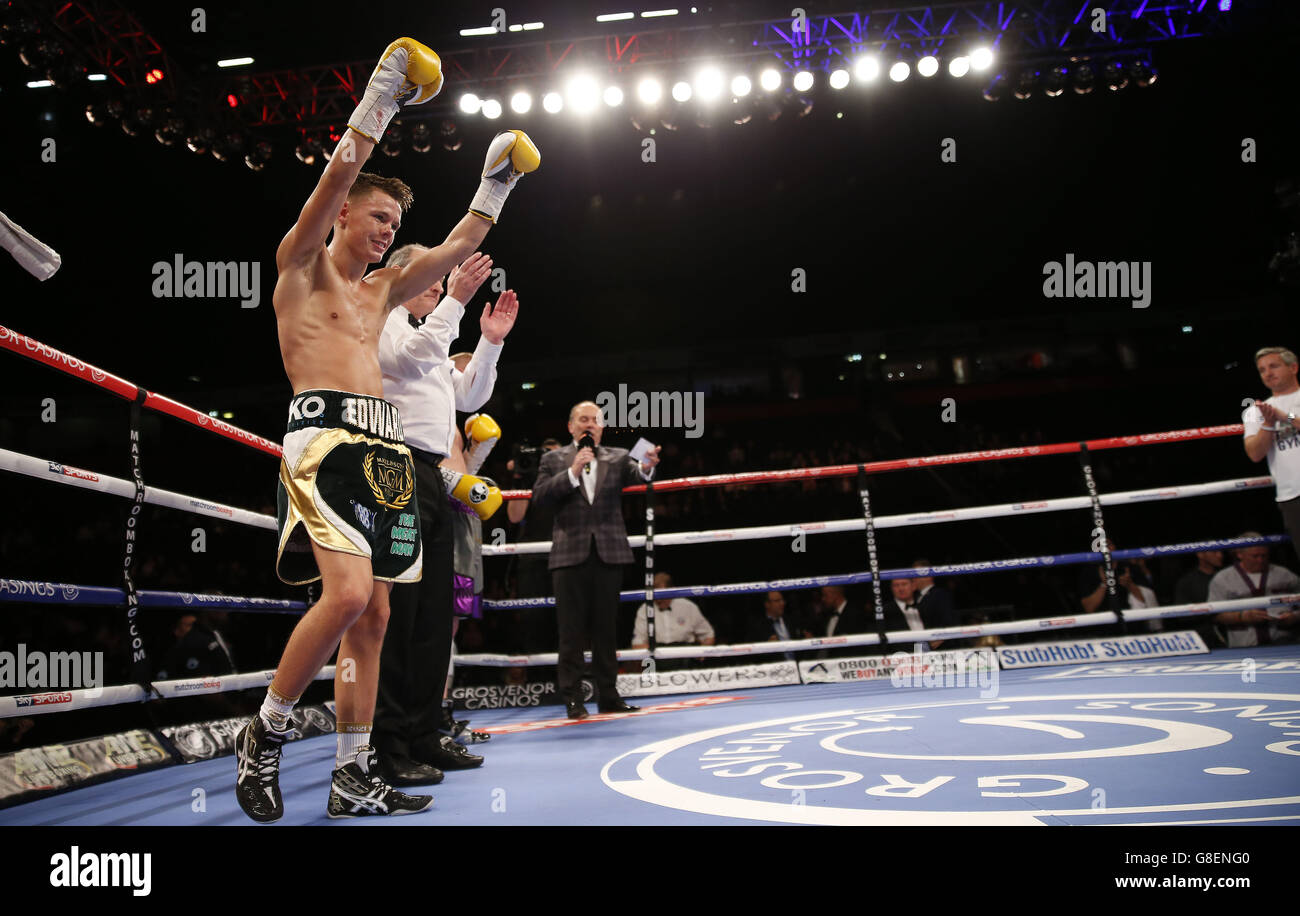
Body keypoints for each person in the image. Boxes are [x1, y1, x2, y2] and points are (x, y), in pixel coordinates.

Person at [235, 37, 539, 822]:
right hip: (325, 440)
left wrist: (496, 181)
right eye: (377, 217)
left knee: (375, 615)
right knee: (344, 598)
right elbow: (337, 174)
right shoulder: (301, 264)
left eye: (395, 221)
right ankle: (264, 731)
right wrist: (384, 94)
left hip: (384, 454)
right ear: (344, 216)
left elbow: (462, 244)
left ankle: (351, 771)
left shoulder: (381, 294)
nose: (386, 231)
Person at [371, 244, 513, 785]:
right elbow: (406, 360)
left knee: (432, 617)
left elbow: (469, 395)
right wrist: (454, 301)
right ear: (401, 274)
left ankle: (424, 734)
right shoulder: (384, 322)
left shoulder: (427, 334)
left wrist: (490, 343)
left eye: (440, 275)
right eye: (428, 272)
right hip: (392, 468)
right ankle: (388, 746)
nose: (438, 281)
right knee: (400, 616)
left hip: (431, 476)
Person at [530, 401, 661, 718]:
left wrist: (647, 466)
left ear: (602, 427)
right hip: (569, 554)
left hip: (608, 551)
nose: (589, 424)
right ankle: (573, 698)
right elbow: (540, 496)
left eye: (595, 420)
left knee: (606, 629)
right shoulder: (553, 458)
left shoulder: (617, 456)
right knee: (571, 631)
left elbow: (639, 474)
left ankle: (609, 695)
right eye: (583, 419)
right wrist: (573, 471)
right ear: (571, 426)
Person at [1242, 347, 1300, 564]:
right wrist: (1268, 424)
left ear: (1293, 367)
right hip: (1292, 495)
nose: (1267, 373)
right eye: (1262, 370)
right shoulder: (1255, 412)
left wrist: (1286, 416)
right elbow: (1254, 453)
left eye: (1274, 366)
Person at [1206, 537, 1300, 647]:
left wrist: (1295, 616)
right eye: (1255, 556)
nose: (1260, 560)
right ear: (1239, 554)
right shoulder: (1223, 579)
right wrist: (1242, 617)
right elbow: (1215, 614)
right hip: (1244, 646)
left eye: (1264, 556)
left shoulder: (1284, 574)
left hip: (1286, 642)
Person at [631, 572, 716, 650]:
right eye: (655, 596)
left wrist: (701, 653)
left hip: (684, 654)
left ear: (672, 591)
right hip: (657, 655)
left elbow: (708, 635)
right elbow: (637, 644)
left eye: (662, 595)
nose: (658, 600)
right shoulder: (644, 610)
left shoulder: (688, 607)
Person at [745, 590, 811, 661]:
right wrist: (766, 648)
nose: (782, 603)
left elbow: (802, 645)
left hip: (798, 665)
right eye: (777, 601)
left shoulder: (793, 620)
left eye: (782, 600)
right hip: (775, 667)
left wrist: (808, 642)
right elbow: (751, 655)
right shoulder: (758, 627)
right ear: (767, 604)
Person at [911, 560, 960, 648]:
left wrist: (939, 640)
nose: (913, 578)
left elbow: (949, 620)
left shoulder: (939, 594)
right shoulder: (916, 597)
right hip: (922, 645)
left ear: (928, 576)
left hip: (941, 648)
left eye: (916, 574)